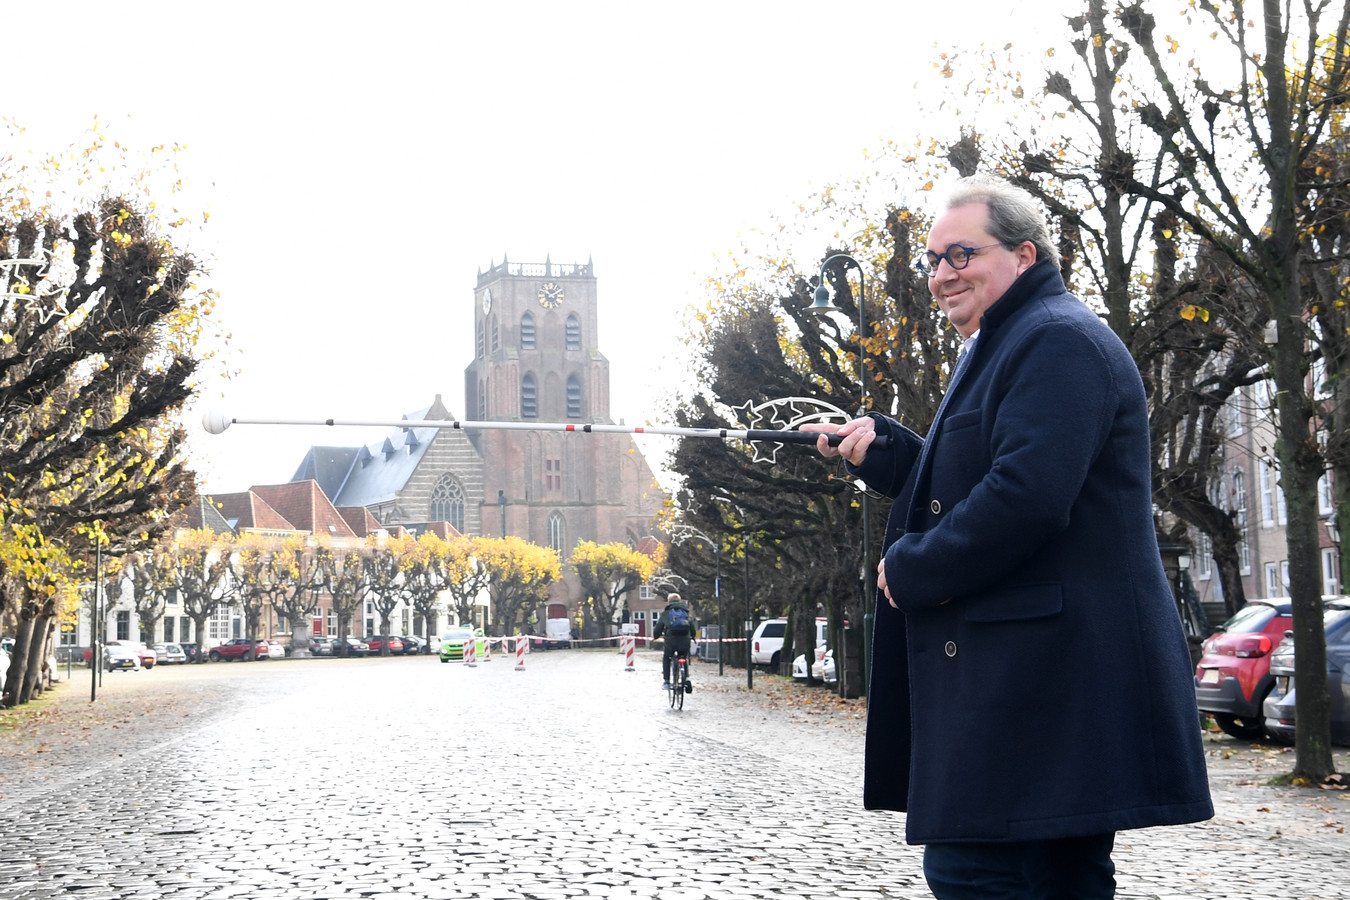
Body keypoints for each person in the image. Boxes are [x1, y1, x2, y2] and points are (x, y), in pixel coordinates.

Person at [806, 178, 1212, 899]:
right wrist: (897, 456)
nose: (940, 274)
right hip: (1028, 691)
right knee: (1019, 877)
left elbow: (1026, 497)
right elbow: (994, 470)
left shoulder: (1055, 339)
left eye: (961, 253)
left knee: (985, 875)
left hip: (1044, 692)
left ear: (1024, 254)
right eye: (932, 260)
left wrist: (912, 567)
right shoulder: (1010, 341)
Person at [653, 593, 693, 691]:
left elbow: (658, 627)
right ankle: (686, 678)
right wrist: (693, 637)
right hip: (685, 640)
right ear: (679, 601)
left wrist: (656, 636)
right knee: (683, 657)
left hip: (671, 641)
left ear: (669, 602)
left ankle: (666, 681)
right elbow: (692, 627)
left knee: (666, 657)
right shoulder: (686, 612)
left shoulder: (666, 613)